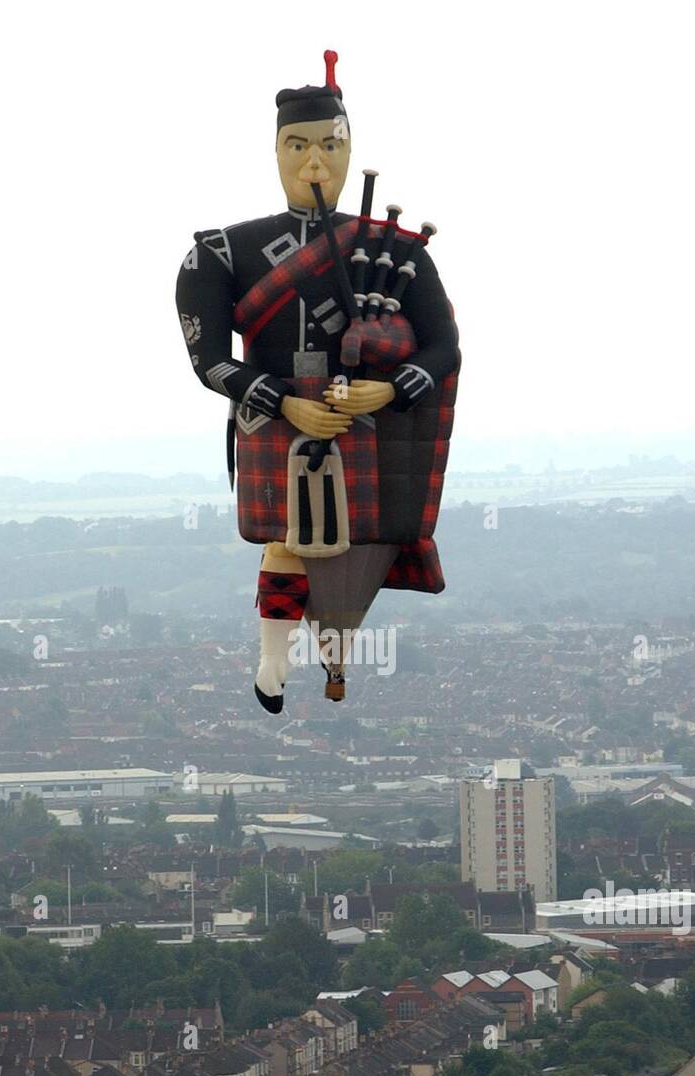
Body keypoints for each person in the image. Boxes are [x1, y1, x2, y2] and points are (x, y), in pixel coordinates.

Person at [177, 52, 459, 712]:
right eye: (298, 146)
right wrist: (284, 406)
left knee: (354, 545)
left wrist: (390, 389)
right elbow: (210, 361)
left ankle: (333, 656)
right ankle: (274, 656)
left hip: (365, 422)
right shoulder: (221, 253)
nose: (315, 164)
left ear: (350, 148)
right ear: (276, 152)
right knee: (288, 537)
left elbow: (445, 346)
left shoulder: (399, 251)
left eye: (331, 146)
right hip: (276, 420)